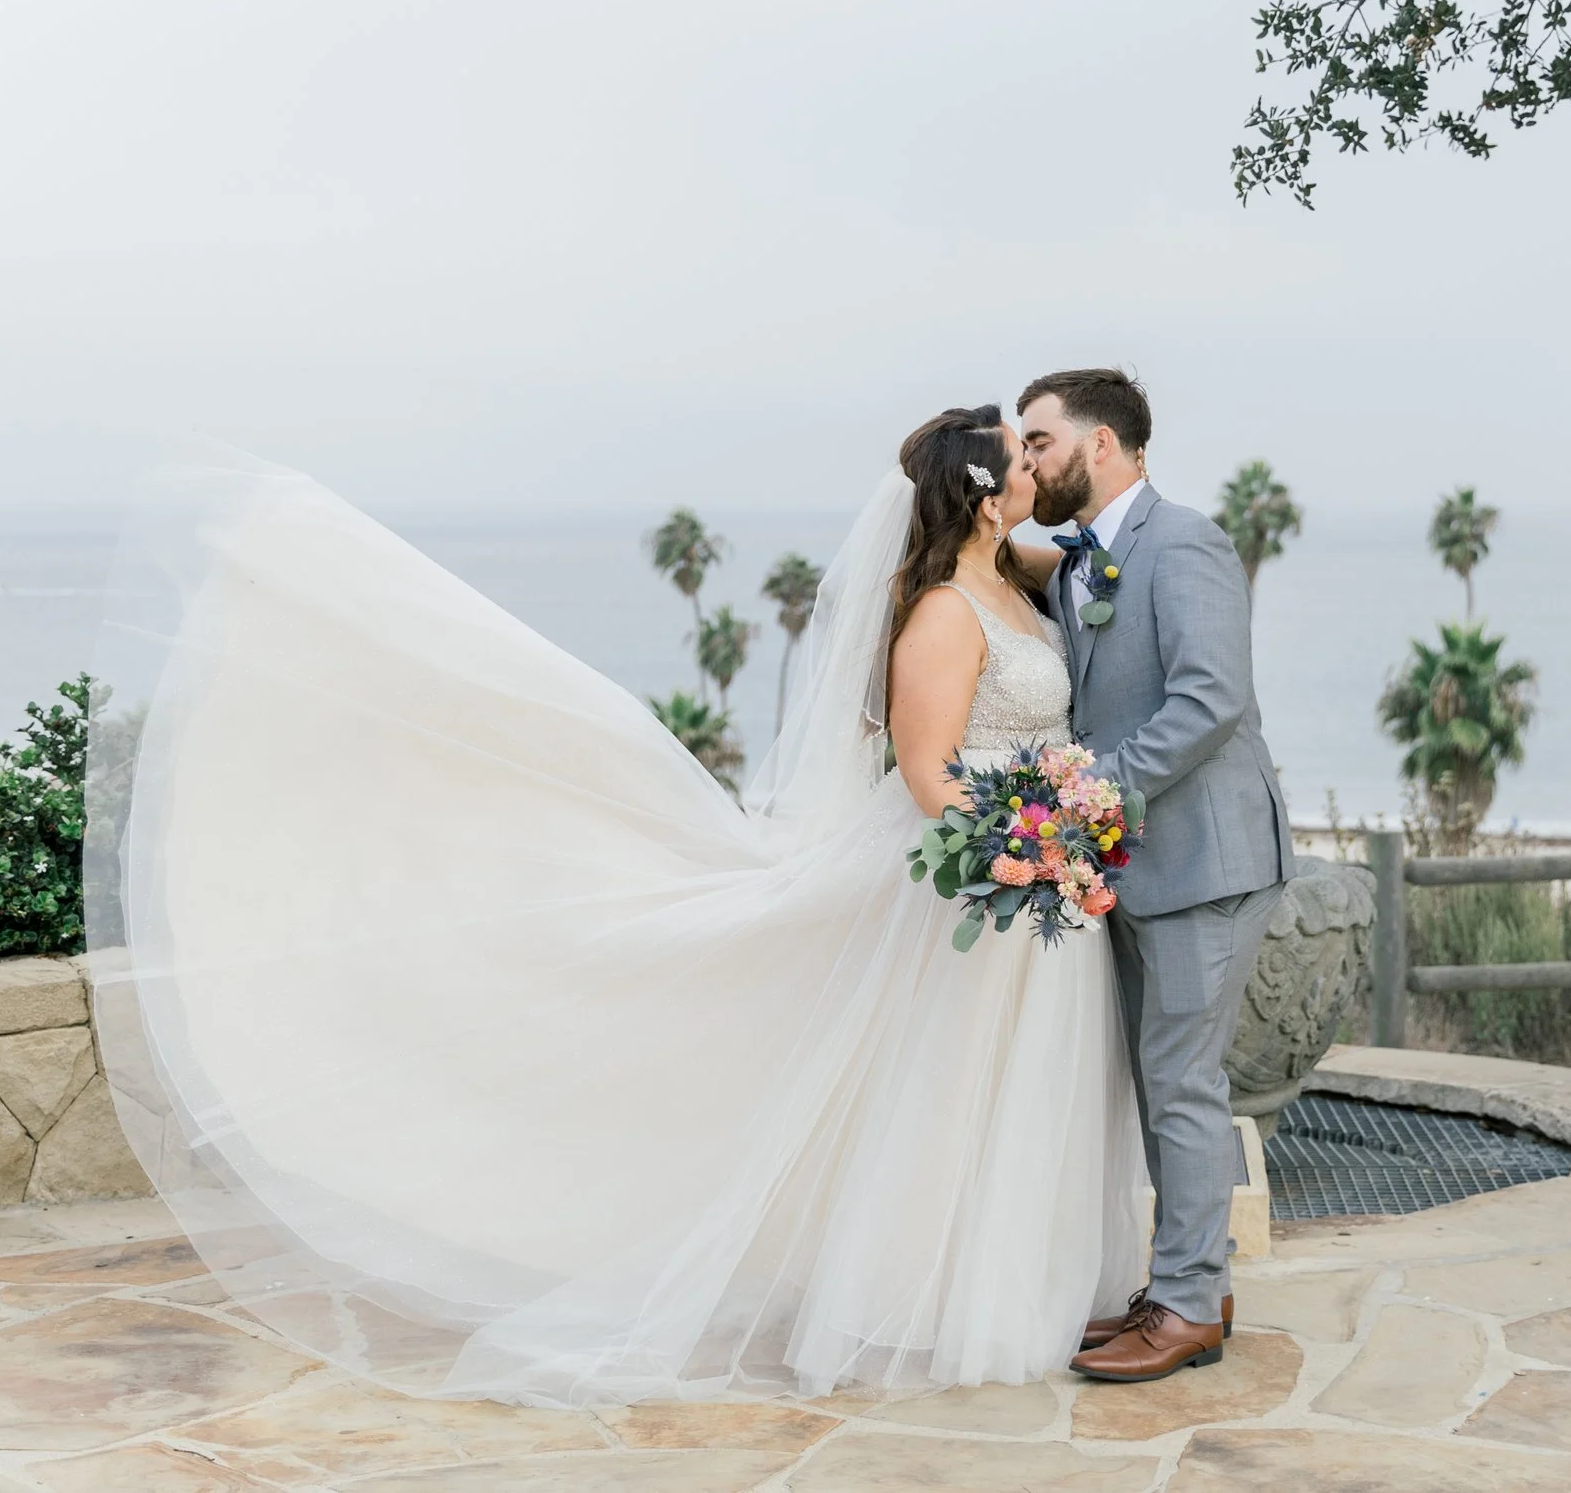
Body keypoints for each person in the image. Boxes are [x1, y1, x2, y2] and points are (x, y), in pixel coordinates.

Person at [89, 404, 1147, 1407]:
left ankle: (1016, 1285)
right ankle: (939, 1298)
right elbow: (928, 775)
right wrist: (1041, 838)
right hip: (984, 875)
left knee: (1007, 1090)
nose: (1036, 469)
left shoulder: (1018, 579)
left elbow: (1104, 565)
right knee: (948, 1091)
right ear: (979, 496)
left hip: (1034, 884)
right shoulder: (944, 618)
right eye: (1021, 459)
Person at [1015, 369, 1295, 1382]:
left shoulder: (1183, 542)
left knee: (1182, 1083)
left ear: (1099, 445)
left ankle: (1184, 1309)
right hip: (1140, 867)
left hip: (1205, 862)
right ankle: (1191, 1283)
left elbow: (1209, 698)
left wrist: (1086, 797)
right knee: (1159, 1083)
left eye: (1038, 441)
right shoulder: (1084, 558)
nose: (1028, 459)